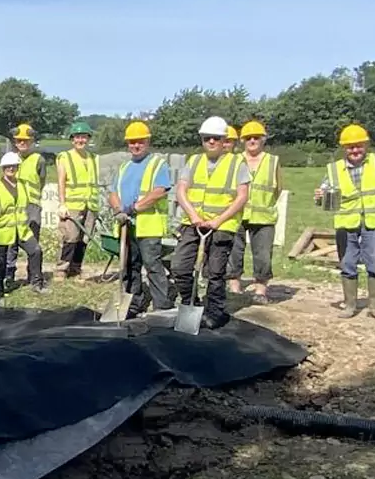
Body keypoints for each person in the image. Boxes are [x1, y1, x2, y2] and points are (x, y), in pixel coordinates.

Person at [314, 123, 375, 321]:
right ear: (344, 148)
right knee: (347, 263)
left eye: (358, 146)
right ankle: (350, 306)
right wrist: (319, 196)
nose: (355, 150)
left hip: (374, 222)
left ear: (366, 145)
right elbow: (323, 198)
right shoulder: (334, 169)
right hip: (346, 225)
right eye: (350, 147)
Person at [171, 116, 251, 330]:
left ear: (225, 140)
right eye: (207, 138)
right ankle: (190, 301)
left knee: (215, 273)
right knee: (179, 266)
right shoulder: (194, 161)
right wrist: (193, 215)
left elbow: (242, 196)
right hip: (193, 223)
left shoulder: (236, 163)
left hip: (222, 226)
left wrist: (218, 220)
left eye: (216, 138)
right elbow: (181, 190)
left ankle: (215, 311)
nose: (211, 142)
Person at [106, 121, 175, 318]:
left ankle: (162, 306)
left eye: (140, 142)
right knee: (129, 266)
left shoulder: (157, 164)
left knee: (152, 265)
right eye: (132, 142)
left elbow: (159, 191)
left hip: (148, 225)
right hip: (126, 225)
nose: (136, 146)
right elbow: (112, 192)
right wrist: (119, 209)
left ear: (147, 142)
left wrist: (135, 208)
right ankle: (132, 302)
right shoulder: (124, 167)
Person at [226, 120, 281, 305]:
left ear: (263, 139)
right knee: (234, 252)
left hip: (264, 216)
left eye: (256, 137)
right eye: (248, 138)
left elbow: (278, 188)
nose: (252, 141)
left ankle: (260, 290)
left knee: (263, 255)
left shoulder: (273, 161)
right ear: (242, 140)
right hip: (237, 213)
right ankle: (234, 288)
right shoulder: (235, 160)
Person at [0, 151, 45, 306]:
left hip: (20, 229)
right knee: (0, 261)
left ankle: (36, 284)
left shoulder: (22, 185)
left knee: (35, 251)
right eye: (8, 166)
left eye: (14, 166)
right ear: (3, 168)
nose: (11, 169)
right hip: (2, 230)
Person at [3, 123, 48, 290]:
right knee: (11, 243)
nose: (22, 143)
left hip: (32, 207)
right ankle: (9, 278)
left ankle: (35, 279)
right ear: (15, 142)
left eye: (26, 140)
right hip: (13, 207)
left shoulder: (39, 160)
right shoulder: (10, 159)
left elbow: (41, 181)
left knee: (32, 244)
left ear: (32, 141)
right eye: (19, 140)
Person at [55, 121, 100, 279]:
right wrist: (62, 204)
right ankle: (62, 268)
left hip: (91, 203)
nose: (81, 140)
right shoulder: (65, 157)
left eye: (84, 137)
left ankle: (76, 267)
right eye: (77, 137)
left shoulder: (94, 158)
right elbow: (61, 181)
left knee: (84, 237)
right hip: (73, 204)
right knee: (70, 237)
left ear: (88, 139)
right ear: (72, 139)